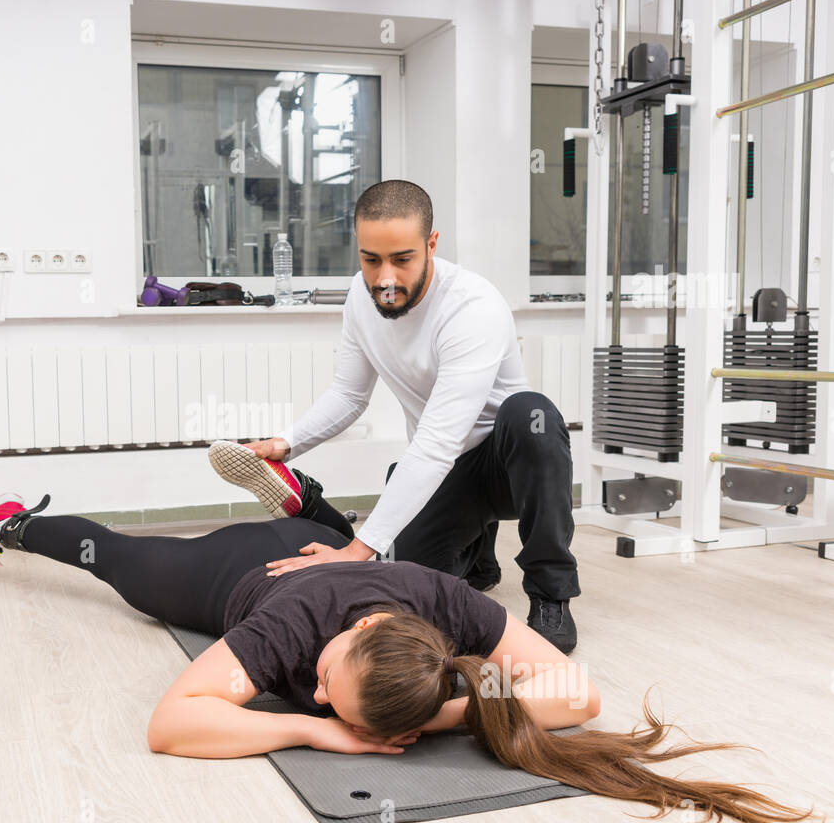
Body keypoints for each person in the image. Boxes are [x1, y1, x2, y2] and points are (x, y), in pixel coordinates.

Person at [0, 493, 823, 823]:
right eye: (330, 681)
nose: (319, 692)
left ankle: (311, 503)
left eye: (332, 703)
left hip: (337, 548)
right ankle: (16, 524)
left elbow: (579, 696)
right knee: (123, 561)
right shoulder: (289, 634)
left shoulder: (445, 608)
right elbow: (169, 725)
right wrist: (314, 731)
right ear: (349, 637)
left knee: (334, 542)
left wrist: (449, 710)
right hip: (243, 570)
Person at [210, 179, 581, 653]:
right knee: (409, 588)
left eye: (402, 259)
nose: (385, 278)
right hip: (451, 473)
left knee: (534, 415)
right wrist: (286, 443)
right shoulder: (359, 300)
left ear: (431, 244)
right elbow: (349, 393)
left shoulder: (473, 306)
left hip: (509, 466)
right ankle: (477, 554)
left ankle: (551, 595)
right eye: (371, 259)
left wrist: (357, 550)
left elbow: (436, 444)